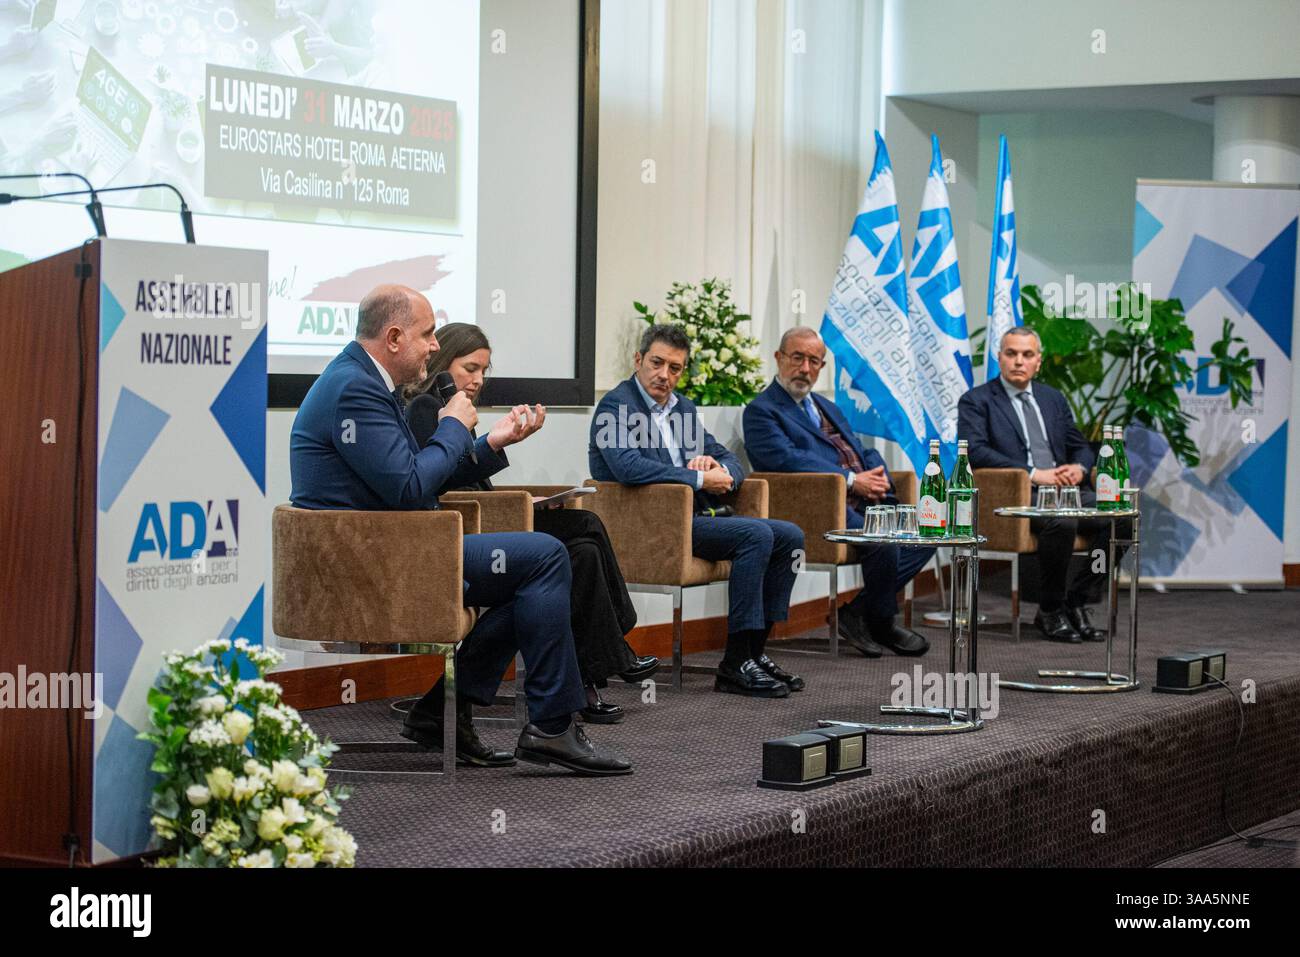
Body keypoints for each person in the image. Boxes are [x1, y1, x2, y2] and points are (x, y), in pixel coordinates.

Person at [290, 284, 631, 775]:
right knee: (547, 556)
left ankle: (446, 711)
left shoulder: (361, 381)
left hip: (399, 550)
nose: (434, 345)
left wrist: (488, 441)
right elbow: (410, 488)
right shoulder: (355, 389)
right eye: (427, 334)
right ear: (392, 337)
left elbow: (421, 476)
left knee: (538, 572)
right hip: (367, 568)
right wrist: (451, 424)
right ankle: (551, 727)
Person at [403, 322, 659, 725]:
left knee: (584, 547)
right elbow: (436, 483)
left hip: (485, 519)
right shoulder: (425, 408)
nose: (478, 380)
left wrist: (524, 501)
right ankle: (612, 652)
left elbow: (463, 476)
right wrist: (509, 494)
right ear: (441, 360)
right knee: (584, 532)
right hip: (464, 532)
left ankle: (599, 666)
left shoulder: (457, 411)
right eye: (470, 368)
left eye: (484, 371)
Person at [588, 323, 806, 698]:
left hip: (696, 518)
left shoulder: (682, 408)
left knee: (790, 535)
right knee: (757, 534)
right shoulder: (616, 406)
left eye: (675, 368)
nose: (664, 375)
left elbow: (725, 456)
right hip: (653, 524)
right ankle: (735, 662)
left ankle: (755, 650)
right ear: (638, 359)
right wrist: (698, 480)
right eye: (657, 363)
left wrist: (721, 471)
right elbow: (627, 466)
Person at [743, 327, 932, 658]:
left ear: (821, 366)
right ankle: (882, 621)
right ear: (778, 358)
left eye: (813, 361)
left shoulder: (827, 406)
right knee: (884, 542)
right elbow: (784, 460)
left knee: (929, 535)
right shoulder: (762, 411)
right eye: (797, 357)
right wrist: (849, 480)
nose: (804, 368)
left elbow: (862, 451)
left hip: (863, 501)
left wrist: (879, 482)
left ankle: (859, 612)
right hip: (817, 506)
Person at [957, 326, 1125, 642]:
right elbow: (975, 451)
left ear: (1039, 361)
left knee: (1123, 518)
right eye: (1011, 354)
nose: (1019, 361)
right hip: (1019, 494)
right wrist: (1034, 473)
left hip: (1066, 490)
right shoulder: (977, 400)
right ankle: (1050, 609)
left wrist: (1078, 467)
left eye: (1027, 354)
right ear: (1000, 358)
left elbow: (1079, 445)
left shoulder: (1052, 399)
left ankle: (1076, 600)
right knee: (1061, 522)